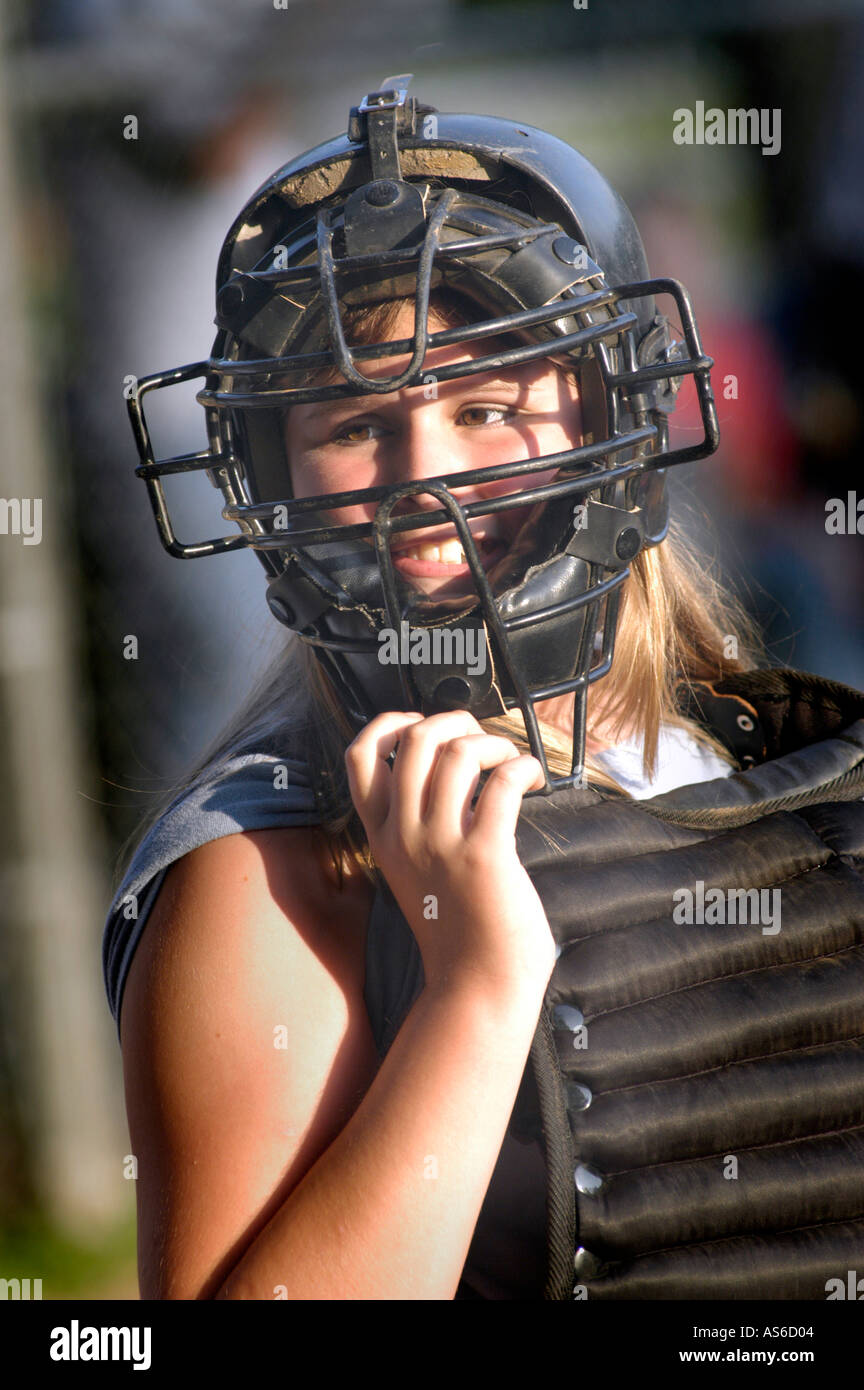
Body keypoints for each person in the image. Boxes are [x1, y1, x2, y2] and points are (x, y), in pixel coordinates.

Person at [104, 78, 864, 1301]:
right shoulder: (268, 874)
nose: (428, 485)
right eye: (355, 424)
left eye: (488, 406)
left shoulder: (782, 769)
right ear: (269, 470)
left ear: (618, 410)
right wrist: (476, 989)